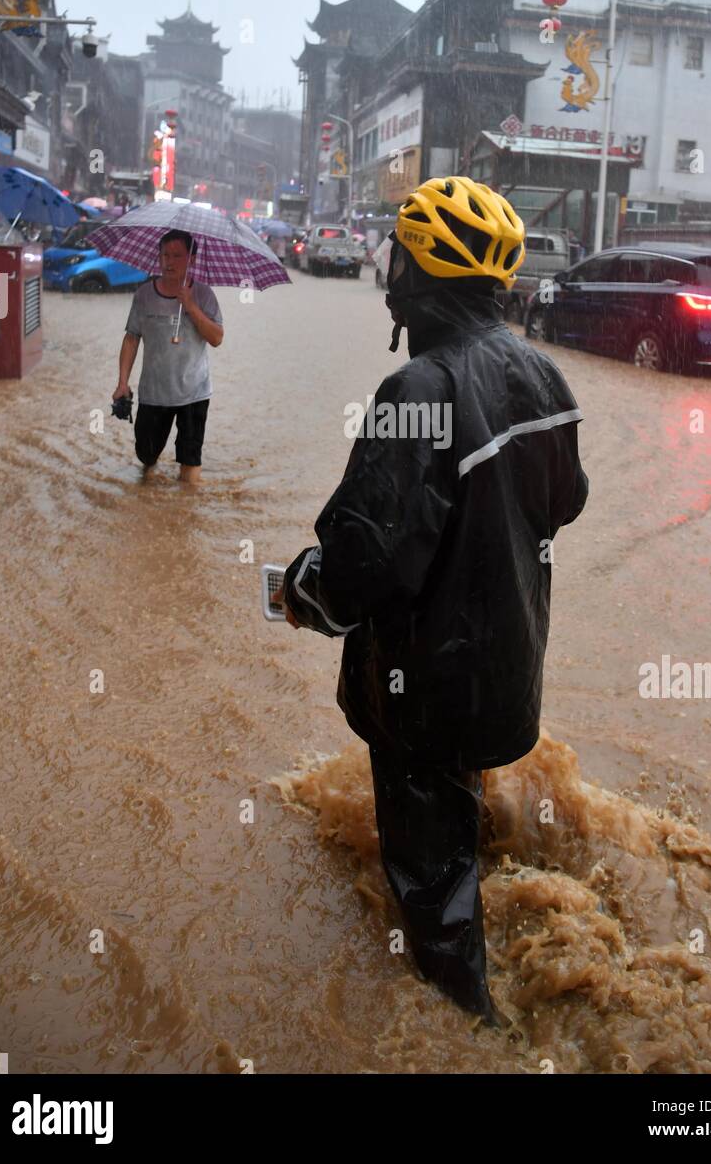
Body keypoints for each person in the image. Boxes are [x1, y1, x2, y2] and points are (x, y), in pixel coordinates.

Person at [278, 176, 588, 1024]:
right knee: (463, 810)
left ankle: (464, 1027)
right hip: (508, 661)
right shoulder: (545, 376)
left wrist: (304, 589)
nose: (389, 273)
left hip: (423, 689)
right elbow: (564, 502)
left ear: (415, 279)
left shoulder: (419, 391)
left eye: (399, 258)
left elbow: (364, 560)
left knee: (433, 890)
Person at [112, 229, 224, 485]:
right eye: (165, 255)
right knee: (146, 455)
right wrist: (122, 382)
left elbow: (217, 338)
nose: (169, 262)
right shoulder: (144, 295)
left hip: (194, 393)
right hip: (154, 392)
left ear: (192, 259)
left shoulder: (204, 295)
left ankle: (183, 516)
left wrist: (192, 306)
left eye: (177, 255)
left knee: (190, 464)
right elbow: (131, 338)